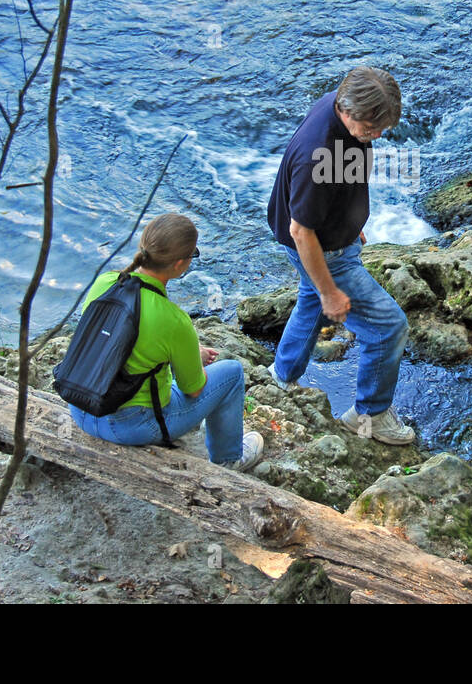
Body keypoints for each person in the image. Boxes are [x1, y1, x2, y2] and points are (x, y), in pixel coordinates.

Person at [266, 66, 415, 445]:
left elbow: (342, 176)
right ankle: (370, 415)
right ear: (347, 112)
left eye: (383, 129)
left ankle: (281, 378)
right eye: (371, 129)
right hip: (320, 249)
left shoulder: (340, 106)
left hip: (330, 238)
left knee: (309, 303)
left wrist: (349, 222)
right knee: (387, 328)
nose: (378, 136)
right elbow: (302, 232)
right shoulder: (318, 155)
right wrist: (331, 290)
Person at [67, 213, 264, 471]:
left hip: (81, 408)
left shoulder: (104, 282)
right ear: (180, 264)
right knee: (232, 373)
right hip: (131, 426)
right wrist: (191, 360)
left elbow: (122, 345)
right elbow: (193, 389)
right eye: (193, 255)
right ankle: (228, 460)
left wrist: (187, 353)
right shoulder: (174, 320)